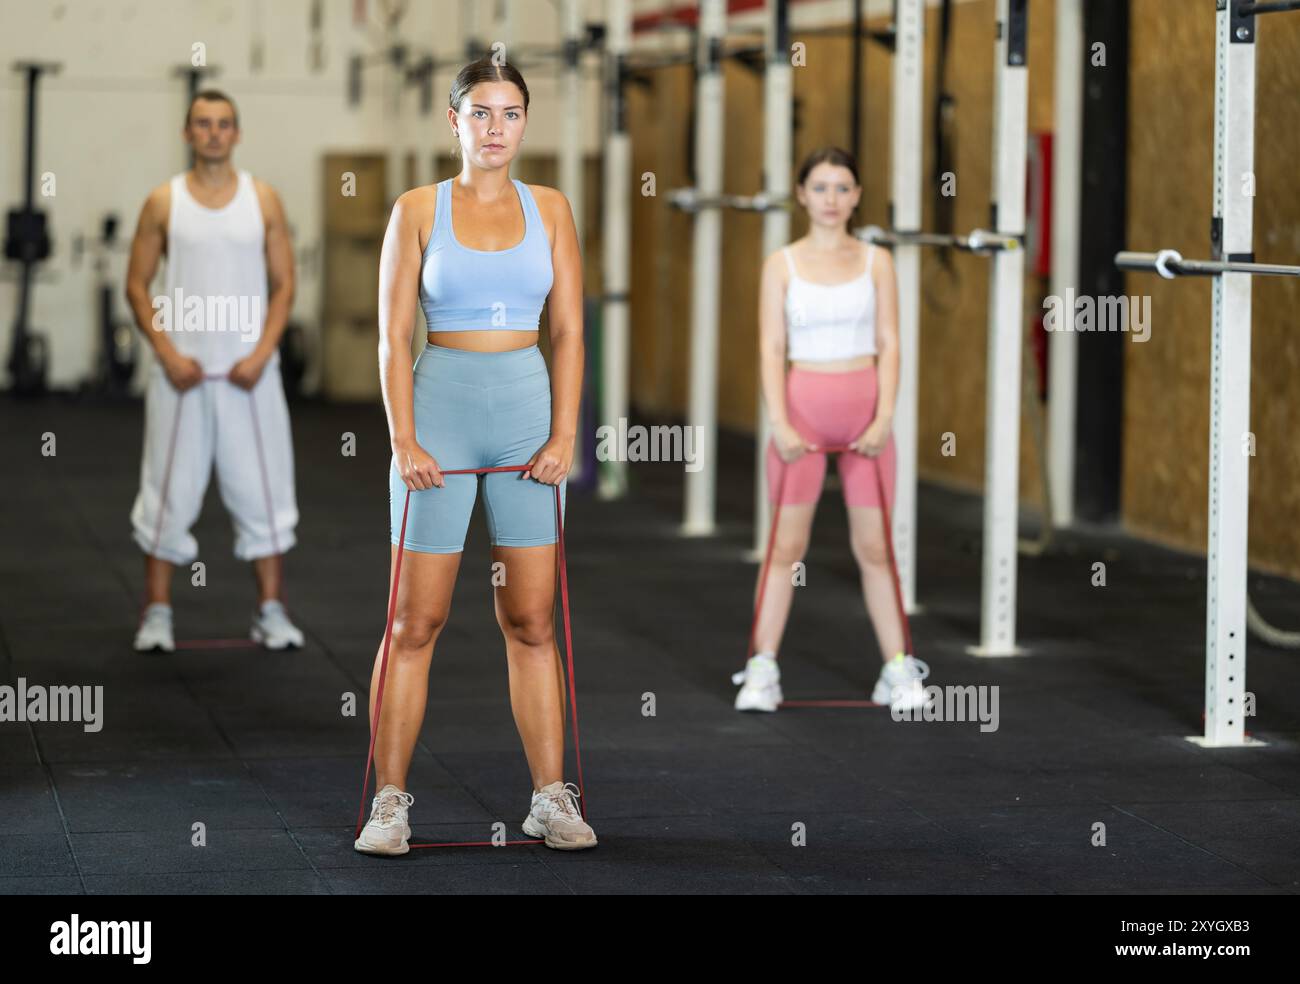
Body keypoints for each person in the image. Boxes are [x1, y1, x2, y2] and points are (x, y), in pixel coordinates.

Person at [354, 58, 595, 855]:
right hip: (441, 417)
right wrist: (403, 438)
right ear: (451, 120)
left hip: (527, 418)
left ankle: (549, 799)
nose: (497, 129)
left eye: (512, 113)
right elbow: (393, 336)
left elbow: (567, 333)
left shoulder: (552, 208)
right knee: (414, 621)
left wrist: (564, 435)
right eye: (482, 113)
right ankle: (389, 803)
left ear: (527, 122)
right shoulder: (416, 209)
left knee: (530, 620)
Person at [733, 146, 929, 713]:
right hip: (802, 414)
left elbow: (890, 343)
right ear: (801, 194)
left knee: (875, 547)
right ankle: (762, 669)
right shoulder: (782, 264)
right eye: (820, 188)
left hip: (865, 414)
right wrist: (779, 421)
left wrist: (885, 415)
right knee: (785, 549)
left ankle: (897, 669)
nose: (831, 199)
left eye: (842, 188)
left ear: (857, 195)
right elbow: (771, 347)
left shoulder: (876, 261)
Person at [125, 89, 302, 653]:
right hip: (182, 377)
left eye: (223, 124)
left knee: (264, 493)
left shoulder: (264, 200)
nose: (214, 133)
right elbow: (136, 283)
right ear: (187, 132)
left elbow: (285, 286)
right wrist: (166, 354)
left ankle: (270, 611)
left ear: (237, 133)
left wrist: (261, 353)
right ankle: (157, 614)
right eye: (203, 124)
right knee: (167, 492)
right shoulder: (163, 201)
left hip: (250, 377)